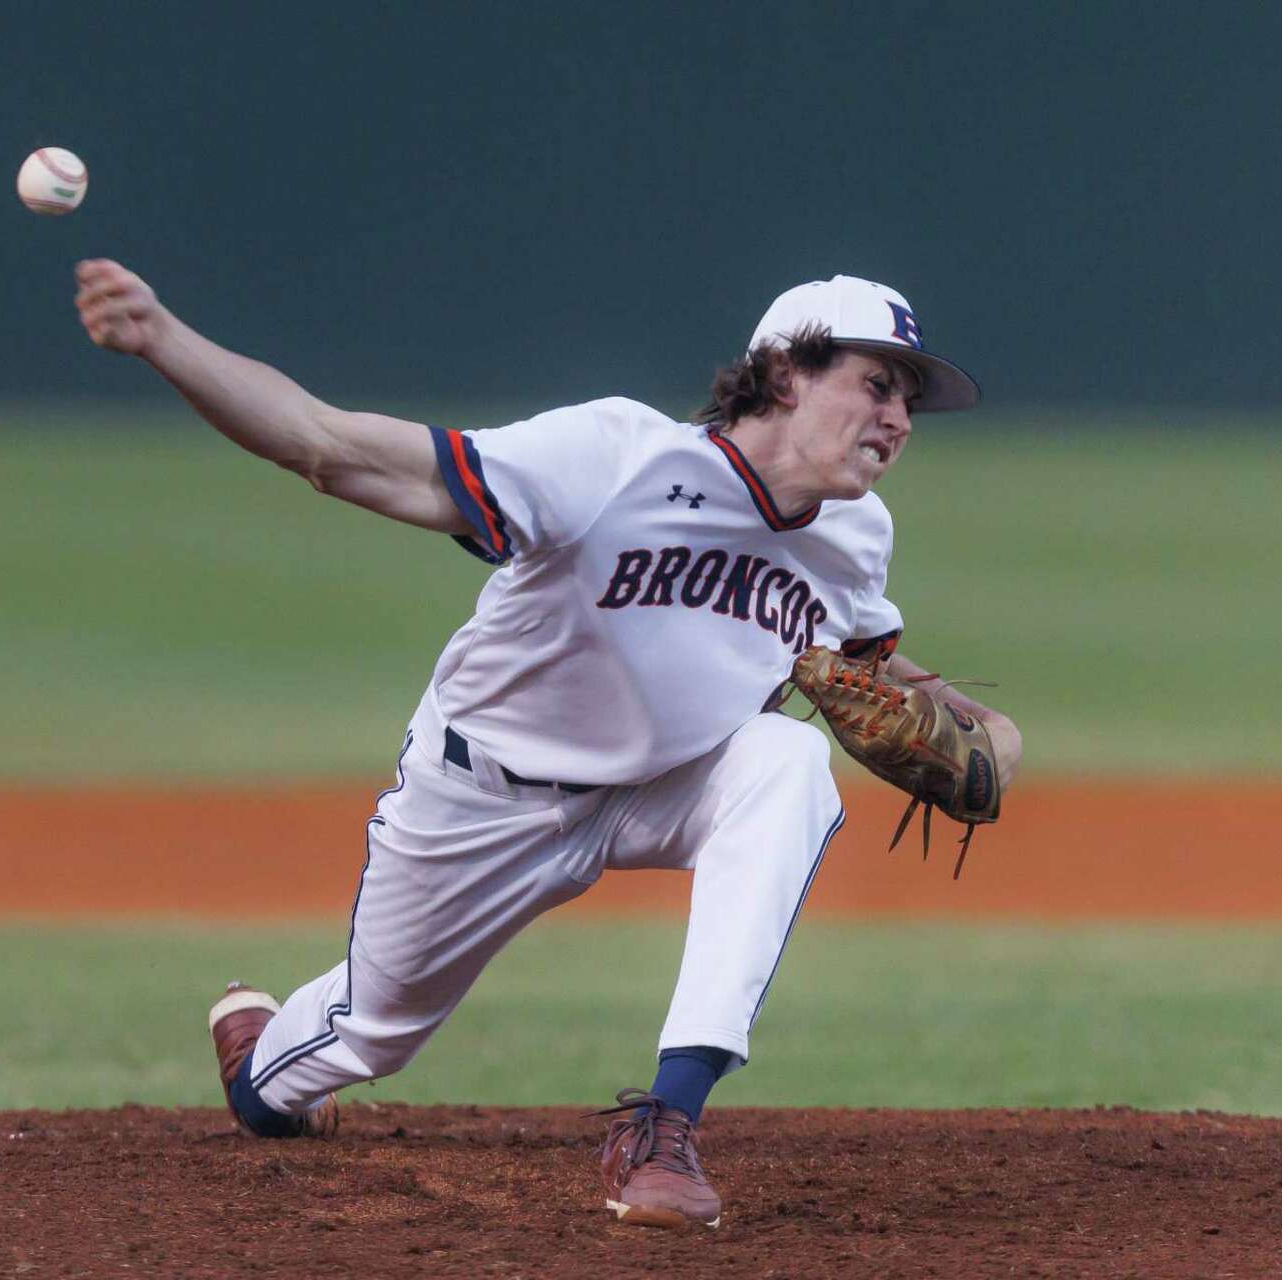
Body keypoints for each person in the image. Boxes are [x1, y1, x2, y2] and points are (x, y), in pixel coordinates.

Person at [73, 262, 1022, 1229]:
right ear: (785, 375)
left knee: (787, 762)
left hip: (665, 787)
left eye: (909, 398)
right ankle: (265, 1050)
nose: (899, 417)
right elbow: (330, 448)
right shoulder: (615, 455)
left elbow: (859, 658)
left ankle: (666, 1123)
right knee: (363, 1040)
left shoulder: (857, 533)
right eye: (876, 382)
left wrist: (984, 725)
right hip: (486, 796)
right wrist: (163, 339)